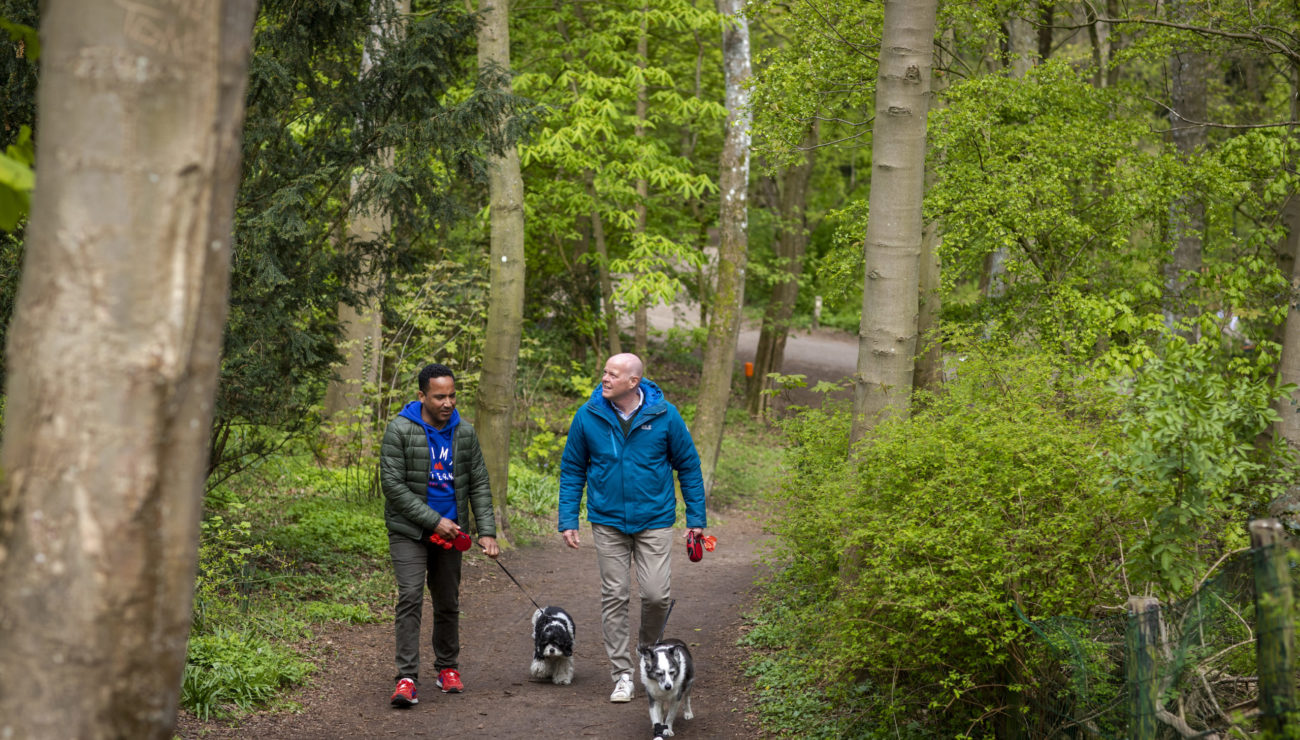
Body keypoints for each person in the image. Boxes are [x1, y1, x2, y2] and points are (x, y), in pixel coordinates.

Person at [558, 353, 707, 703]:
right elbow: (572, 468)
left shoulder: (665, 415)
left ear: (633, 382)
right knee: (615, 595)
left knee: (656, 595)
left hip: (654, 519)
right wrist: (568, 518)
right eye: (604, 372)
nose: (604, 378)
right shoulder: (588, 415)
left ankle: (646, 649)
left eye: (613, 374)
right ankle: (622, 673)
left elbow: (688, 465)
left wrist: (696, 518)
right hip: (607, 519)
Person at [380, 362, 500, 708]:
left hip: (453, 532)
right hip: (410, 531)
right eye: (439, 396)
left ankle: (447, 667)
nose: (447, 403)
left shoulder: (465, 432)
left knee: (448, 602)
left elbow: (478, 481)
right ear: (421, 396)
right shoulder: (400, 430)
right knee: (410, 598)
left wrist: (487, 531)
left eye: (452, 395)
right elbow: (393, 486)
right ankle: (406, 677)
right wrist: (434, 521)